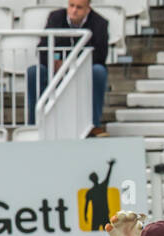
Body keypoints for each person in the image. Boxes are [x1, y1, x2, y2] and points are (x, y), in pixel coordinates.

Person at [28, 0, 108, 136]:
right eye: (71, 6)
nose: (74, 10)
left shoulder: (100, 23)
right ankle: (34, 124)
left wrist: (74, 65)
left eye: (79, 7)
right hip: (56, 70)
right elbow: (43, 49)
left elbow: (100, 55)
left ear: (88, 8)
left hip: (84, 70)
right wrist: (55, 64)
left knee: (98, 72)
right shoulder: (55, 18)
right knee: (34, 72)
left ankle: (93, 125)